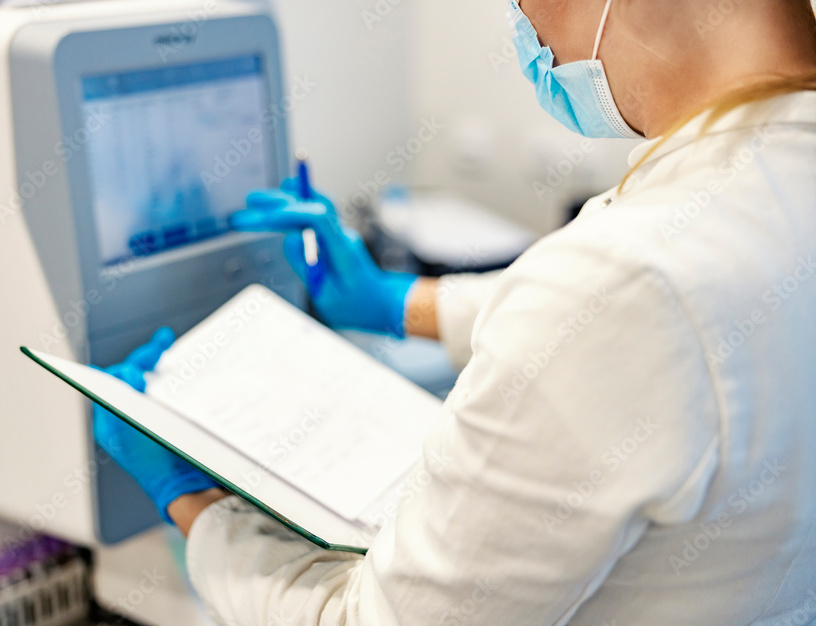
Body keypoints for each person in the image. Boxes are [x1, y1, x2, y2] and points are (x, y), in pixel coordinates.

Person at [94, 0, 816, 623]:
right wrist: (400, 303)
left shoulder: (622, 281)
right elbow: (649, 321)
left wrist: (192, 503)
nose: (528, 32)